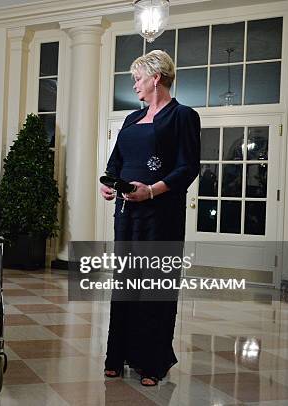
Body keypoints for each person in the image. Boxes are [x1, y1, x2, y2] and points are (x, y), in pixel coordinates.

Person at [100, 50, 200, 386]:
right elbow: (116, 162)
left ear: (156, 77)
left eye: (138, 79)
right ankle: (118, 354)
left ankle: (153, 362)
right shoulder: (130, 119)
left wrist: (153, 190)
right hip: (127, 213)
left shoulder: (183, 116)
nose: (135, 86)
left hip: (162, 214)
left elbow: (188, 167)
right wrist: (108, 183)